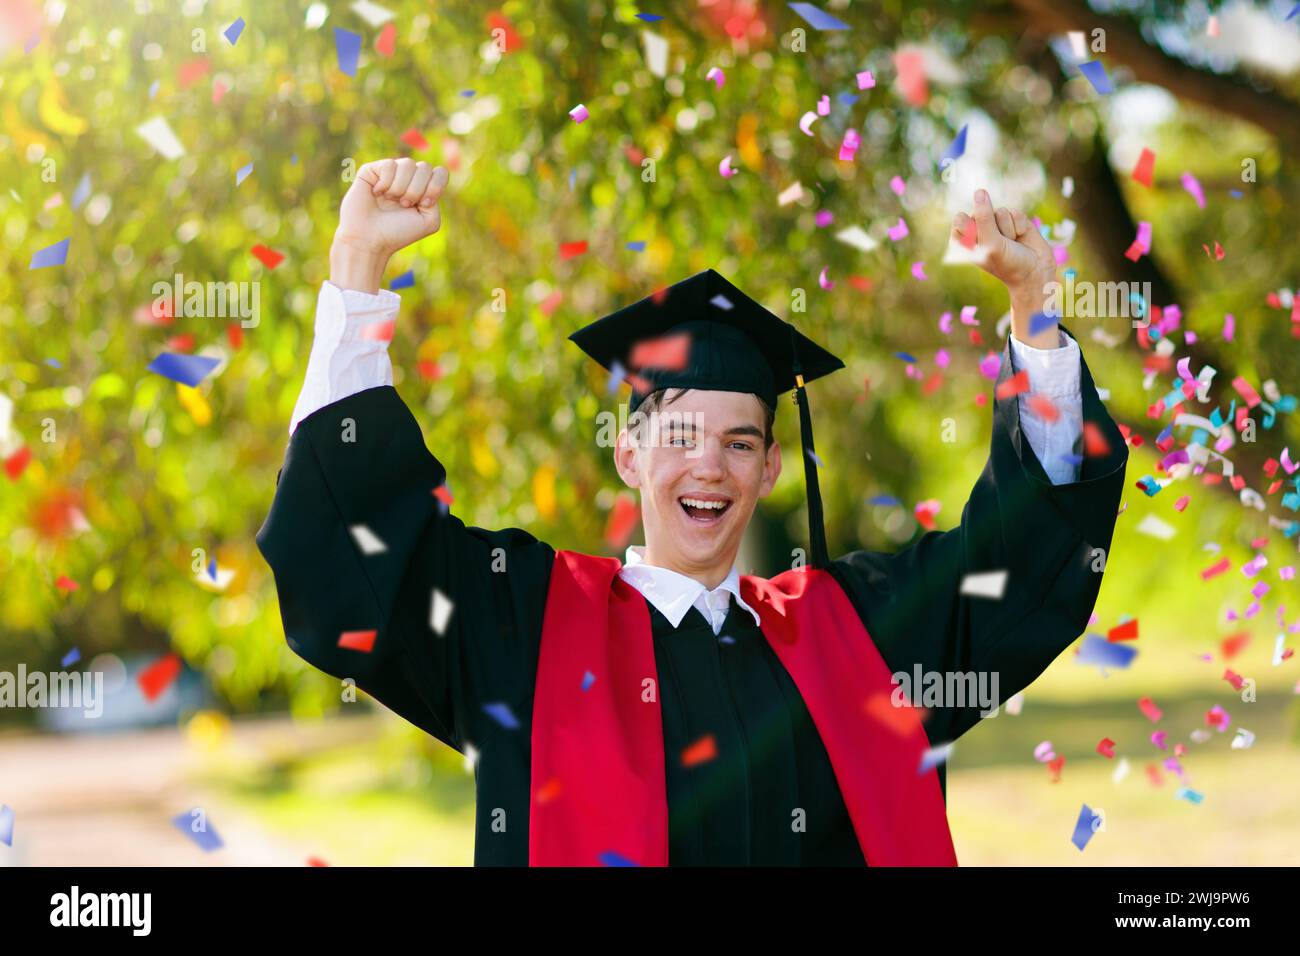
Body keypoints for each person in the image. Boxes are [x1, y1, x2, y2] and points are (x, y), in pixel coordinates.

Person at [256, 157, 1128, 866]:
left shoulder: (858, 633)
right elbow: (358, 558)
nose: (708, 464)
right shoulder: (520, 623)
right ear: (627, 452)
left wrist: (1035, 319)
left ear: (771, 467)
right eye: (678, 435)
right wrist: (359, 273)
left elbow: (1016, 568)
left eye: (740, 443)